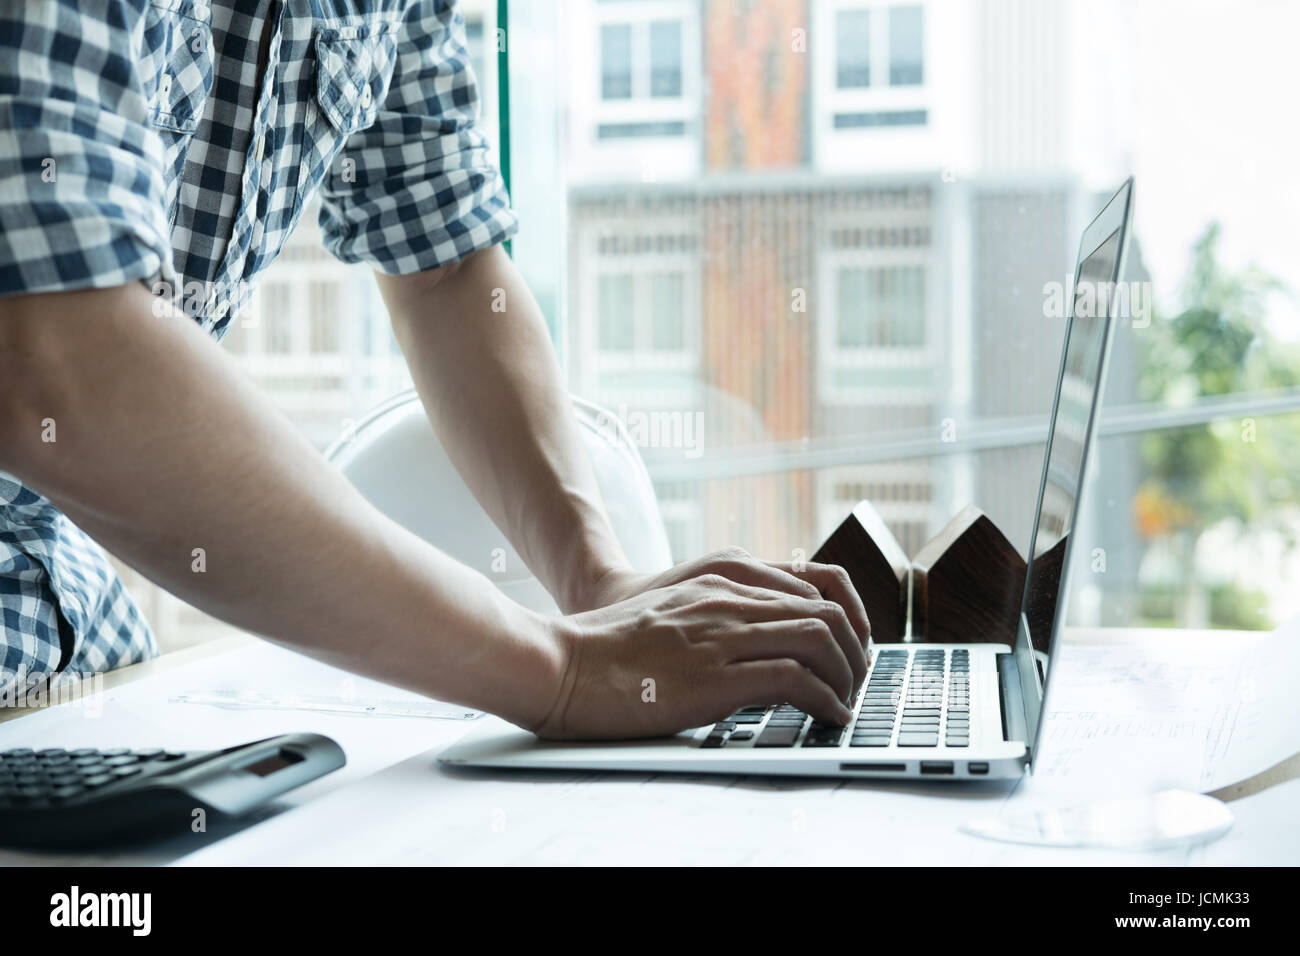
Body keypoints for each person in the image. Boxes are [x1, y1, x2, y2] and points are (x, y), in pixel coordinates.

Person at [0, 0, 869, 738]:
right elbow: (58, 354)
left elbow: (446, 263)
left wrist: (595, 585)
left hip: (78, 646)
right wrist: (563, 673)